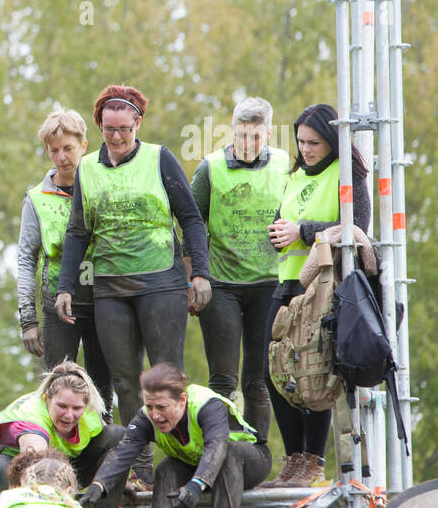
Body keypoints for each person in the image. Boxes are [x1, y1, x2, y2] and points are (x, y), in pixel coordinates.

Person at [55, 86, 212, 485]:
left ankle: (186, 458)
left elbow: (191, 218)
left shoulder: (160, 158)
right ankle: (139, 467)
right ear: (100, 127)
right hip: (111, 287)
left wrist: (200, 274)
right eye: (109, 129)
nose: (117, 137)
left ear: (137, 124)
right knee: (124, 379)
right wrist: (66, 286)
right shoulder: (87, 168)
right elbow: (77, 233)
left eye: (124, 129)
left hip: (161, 283)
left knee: (166, 376)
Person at [264, 103, 371, 487]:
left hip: (323, 286)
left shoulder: (346, 174)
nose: (306, 149)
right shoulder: (294, 175)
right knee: (273, 370)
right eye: (300, 142)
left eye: (314, 143)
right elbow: (282, 225)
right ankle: (293, 458)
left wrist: (304, 231)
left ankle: (313, 460)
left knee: (314, 370)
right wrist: (276, 234)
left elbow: (357, 225)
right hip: (287, 282)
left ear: (331, 142)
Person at [87, 364, 270, 508]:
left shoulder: (207, 405)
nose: (155, 415)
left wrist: (196, 485)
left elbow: (216, 447)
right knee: (165, 469)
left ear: (182, 399)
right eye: (149, 406)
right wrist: (98, 485)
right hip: (197, 464)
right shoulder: (146, 417)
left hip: (247, 460)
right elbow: (122, 452)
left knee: (228, 455)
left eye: (162, 407)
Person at [192, 97, 290, 446]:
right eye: (241, 136)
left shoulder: (283, 164)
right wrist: (194, 273)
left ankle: (257, 452)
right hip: (222, 286)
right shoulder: (210, 167)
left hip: (269, 284)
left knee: (260, 379)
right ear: (232, 130)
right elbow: (191, 221)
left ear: (268, 134)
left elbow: (295, 210)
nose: (247, 145)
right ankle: (217, 449)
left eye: (256, 137)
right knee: (223, 378)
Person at [16, 109, 112, 411]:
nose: (61, 157)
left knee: (102, 389)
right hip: (58, 306)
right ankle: (54, 456)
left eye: (68, 149)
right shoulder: (36, 198)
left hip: (105, 301)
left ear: (84, 146)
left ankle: (105, 454)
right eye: (54, 151)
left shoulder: (104, 186)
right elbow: (25, 259)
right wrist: (28, 320)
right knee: (56, 388)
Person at [0, 361, 124, 508]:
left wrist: (111, 480)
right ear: (47, 398)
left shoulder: (89, 411)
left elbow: (113, 450)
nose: (69, 415)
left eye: (77, 408)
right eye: (62, 406)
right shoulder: (32, 419)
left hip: (65, 468)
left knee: (118, 435)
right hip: (18, 472)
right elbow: (39, 474)